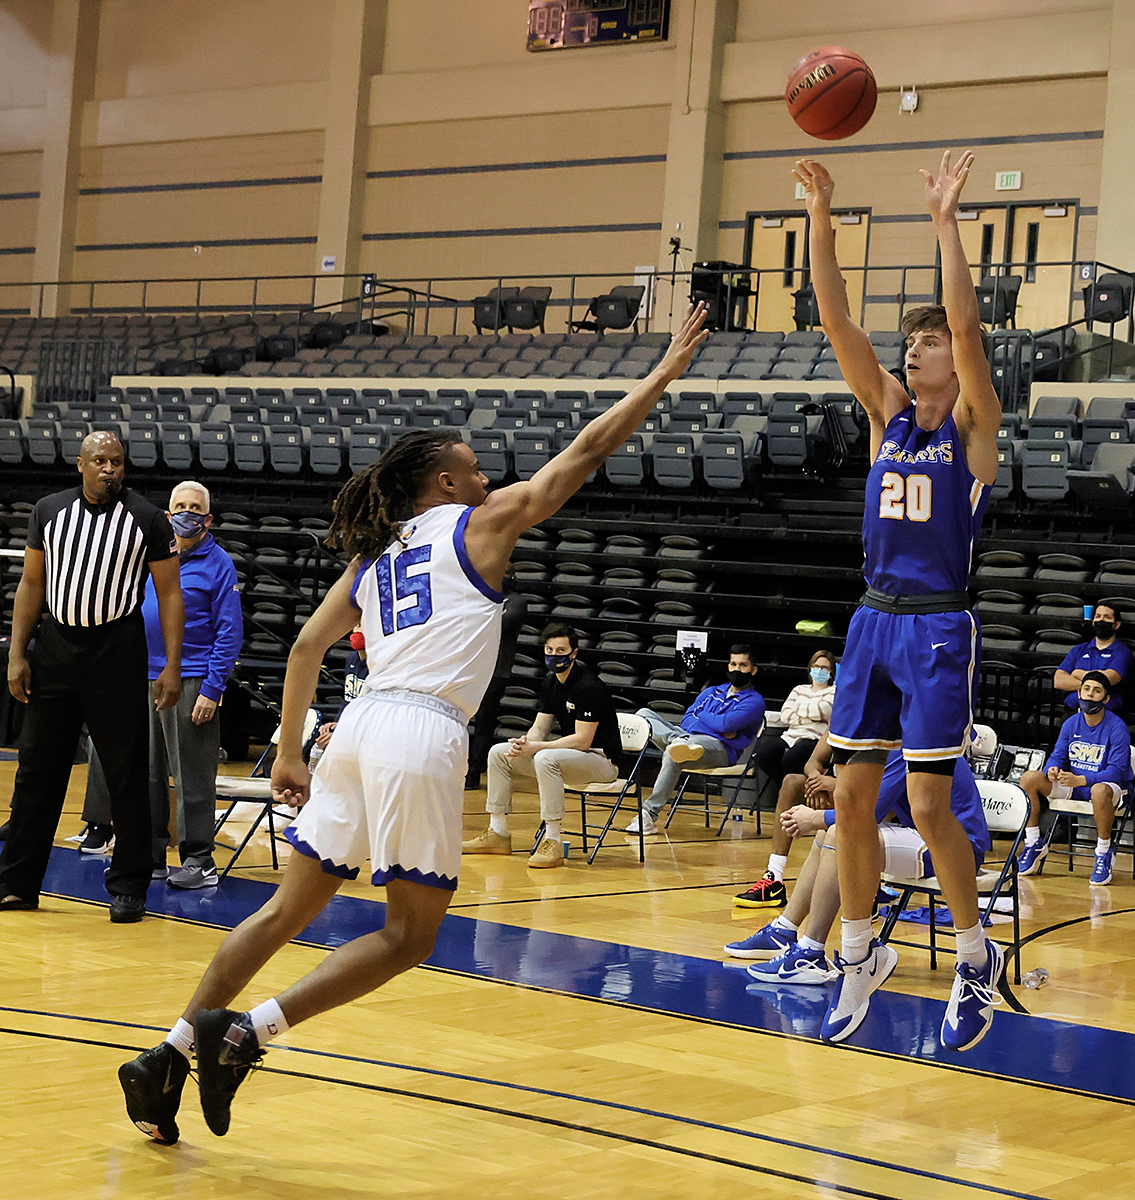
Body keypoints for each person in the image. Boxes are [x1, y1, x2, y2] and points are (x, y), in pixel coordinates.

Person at [115, 302, 710, 1146]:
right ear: (446, 485)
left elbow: (306, 650)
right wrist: (660, 375)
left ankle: (168, 1054)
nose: (486, 478)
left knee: (286, 910)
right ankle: (249, 1033)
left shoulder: (378, 552)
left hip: (355, 725)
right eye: (473, 470)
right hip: (420, 730)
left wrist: (290, 751)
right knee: (409, 934)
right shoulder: (482, 524)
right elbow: (585, 452)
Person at [797, 148, 1003, 1051]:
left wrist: (947, 222)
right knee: (848, 797)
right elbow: (835, 316)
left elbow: (965, 322)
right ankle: (854, 952)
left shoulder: (972, 426)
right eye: (910, 340)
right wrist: (819, 218)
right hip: (873, 616)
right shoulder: (884, 413)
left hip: (936, 625)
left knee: (923, 807)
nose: (914, 347)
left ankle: (972, 954)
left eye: (928, 342)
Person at [0, 430, 185, 923]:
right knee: (38, 768)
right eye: (100, 460)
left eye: (117, 461)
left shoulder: (147, 517)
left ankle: (128, 887)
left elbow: (169, 594)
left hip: (117, 649)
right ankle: (17, 882)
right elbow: (32, 583)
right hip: (56, 647)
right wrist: (18, 654)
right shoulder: (49, 510)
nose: (109, 469)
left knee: (126, 772)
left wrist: (171, 665)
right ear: (80, 465)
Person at [82, 481, 243, 889]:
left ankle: (199, 860)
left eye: (196, 508)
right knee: (147, 775)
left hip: (191, 679)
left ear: (208, 518)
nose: (187, 513)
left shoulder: (218, 562)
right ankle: (149, 854)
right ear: (168, 514)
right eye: (180, 506)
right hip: (144, 678)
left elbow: (229, 632)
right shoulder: (153, 555)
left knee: (192, 776)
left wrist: (212, 688)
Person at [726, 745, 988, 985]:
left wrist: (816, 816)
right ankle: (784, 931)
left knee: (838, 833)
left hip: (955, 848)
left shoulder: (903, 745)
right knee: (831, 832)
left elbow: (870, 810)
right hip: (924, 835)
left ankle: (810, 952)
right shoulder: (891, 741)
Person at [462, 623, 624, 869]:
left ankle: (553, 840)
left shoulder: (588, 686)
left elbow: (583, 740)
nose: (554, 655)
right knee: (499, 753)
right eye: (550, 649)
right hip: (571, 757)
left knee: (545, 758)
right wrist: (525, 743)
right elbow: (540, 727)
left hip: (601, 761)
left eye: (561, 650)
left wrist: (537, 748)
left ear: (574, 653)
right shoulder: (551, 681)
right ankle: (498, 832)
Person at [628, 645, 765, 833]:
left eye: (743, 665)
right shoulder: (712, 691)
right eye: (733, 664)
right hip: (689, 737)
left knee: (673, 753)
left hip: (722, 749)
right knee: (643, 714)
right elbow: (688, 718)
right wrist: (714, 725)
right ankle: (680, 741)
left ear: (753, 669)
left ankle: (647, 816)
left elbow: (724, 725)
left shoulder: (755, 701)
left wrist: (704, 716)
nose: (736, 669)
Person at [737, 649, 837, 908]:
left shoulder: (840, 697)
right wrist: (816, 776)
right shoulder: (834, 701)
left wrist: (833, 783)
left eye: (825, 667)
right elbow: (815, 755)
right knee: (792, 779)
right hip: (824, 763)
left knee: (799, 761)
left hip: (866, 789)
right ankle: (774, 876)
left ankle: (877, 886)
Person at [1017, 671, 1133, 885]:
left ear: (1106, 698)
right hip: (1075, 785)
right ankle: (1034, 842)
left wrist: (1082, 780)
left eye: (1097, 691)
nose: (1090, 695)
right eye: (1086, 689)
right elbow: (1057, 756)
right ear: (1079, 693)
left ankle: (1104, 853)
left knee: (1099, 789)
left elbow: (1116, 772)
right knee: (1029, 778)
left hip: (1112, 789)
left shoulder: (1117, 728)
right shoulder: (1071, 723)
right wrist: (1052, 769)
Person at [464, 570, 530, 789]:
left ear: (512, 577)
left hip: (496, 670)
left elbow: (503, 624)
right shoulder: (478, 597)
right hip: (471, 667)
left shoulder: (516, 601)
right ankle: (458, 766)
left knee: (484, 722)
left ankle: (473, 773)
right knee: (461, 719)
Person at [1053, 603, 1130, 713]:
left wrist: (1077, 673)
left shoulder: (1122, 652)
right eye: (1098, 616)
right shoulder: (1079, 649)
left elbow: (1107, 679)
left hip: (1106, 714)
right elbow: (1058, 680)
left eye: (1107, 617)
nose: (1101, 620)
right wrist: (1093, 686)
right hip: (1073, 712)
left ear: (1116, 625)